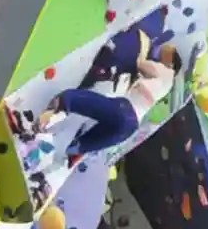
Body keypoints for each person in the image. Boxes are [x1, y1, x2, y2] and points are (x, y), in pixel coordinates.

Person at [40, 43, 180, 163]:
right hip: (130, 128)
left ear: (172, 62)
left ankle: (46, 119)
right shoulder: (167, 86)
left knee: (74, 100)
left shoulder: (166, 71)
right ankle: (64, 151)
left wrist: (144, 47)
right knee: (81, 146)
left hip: (124, 110)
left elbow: (140, 63)